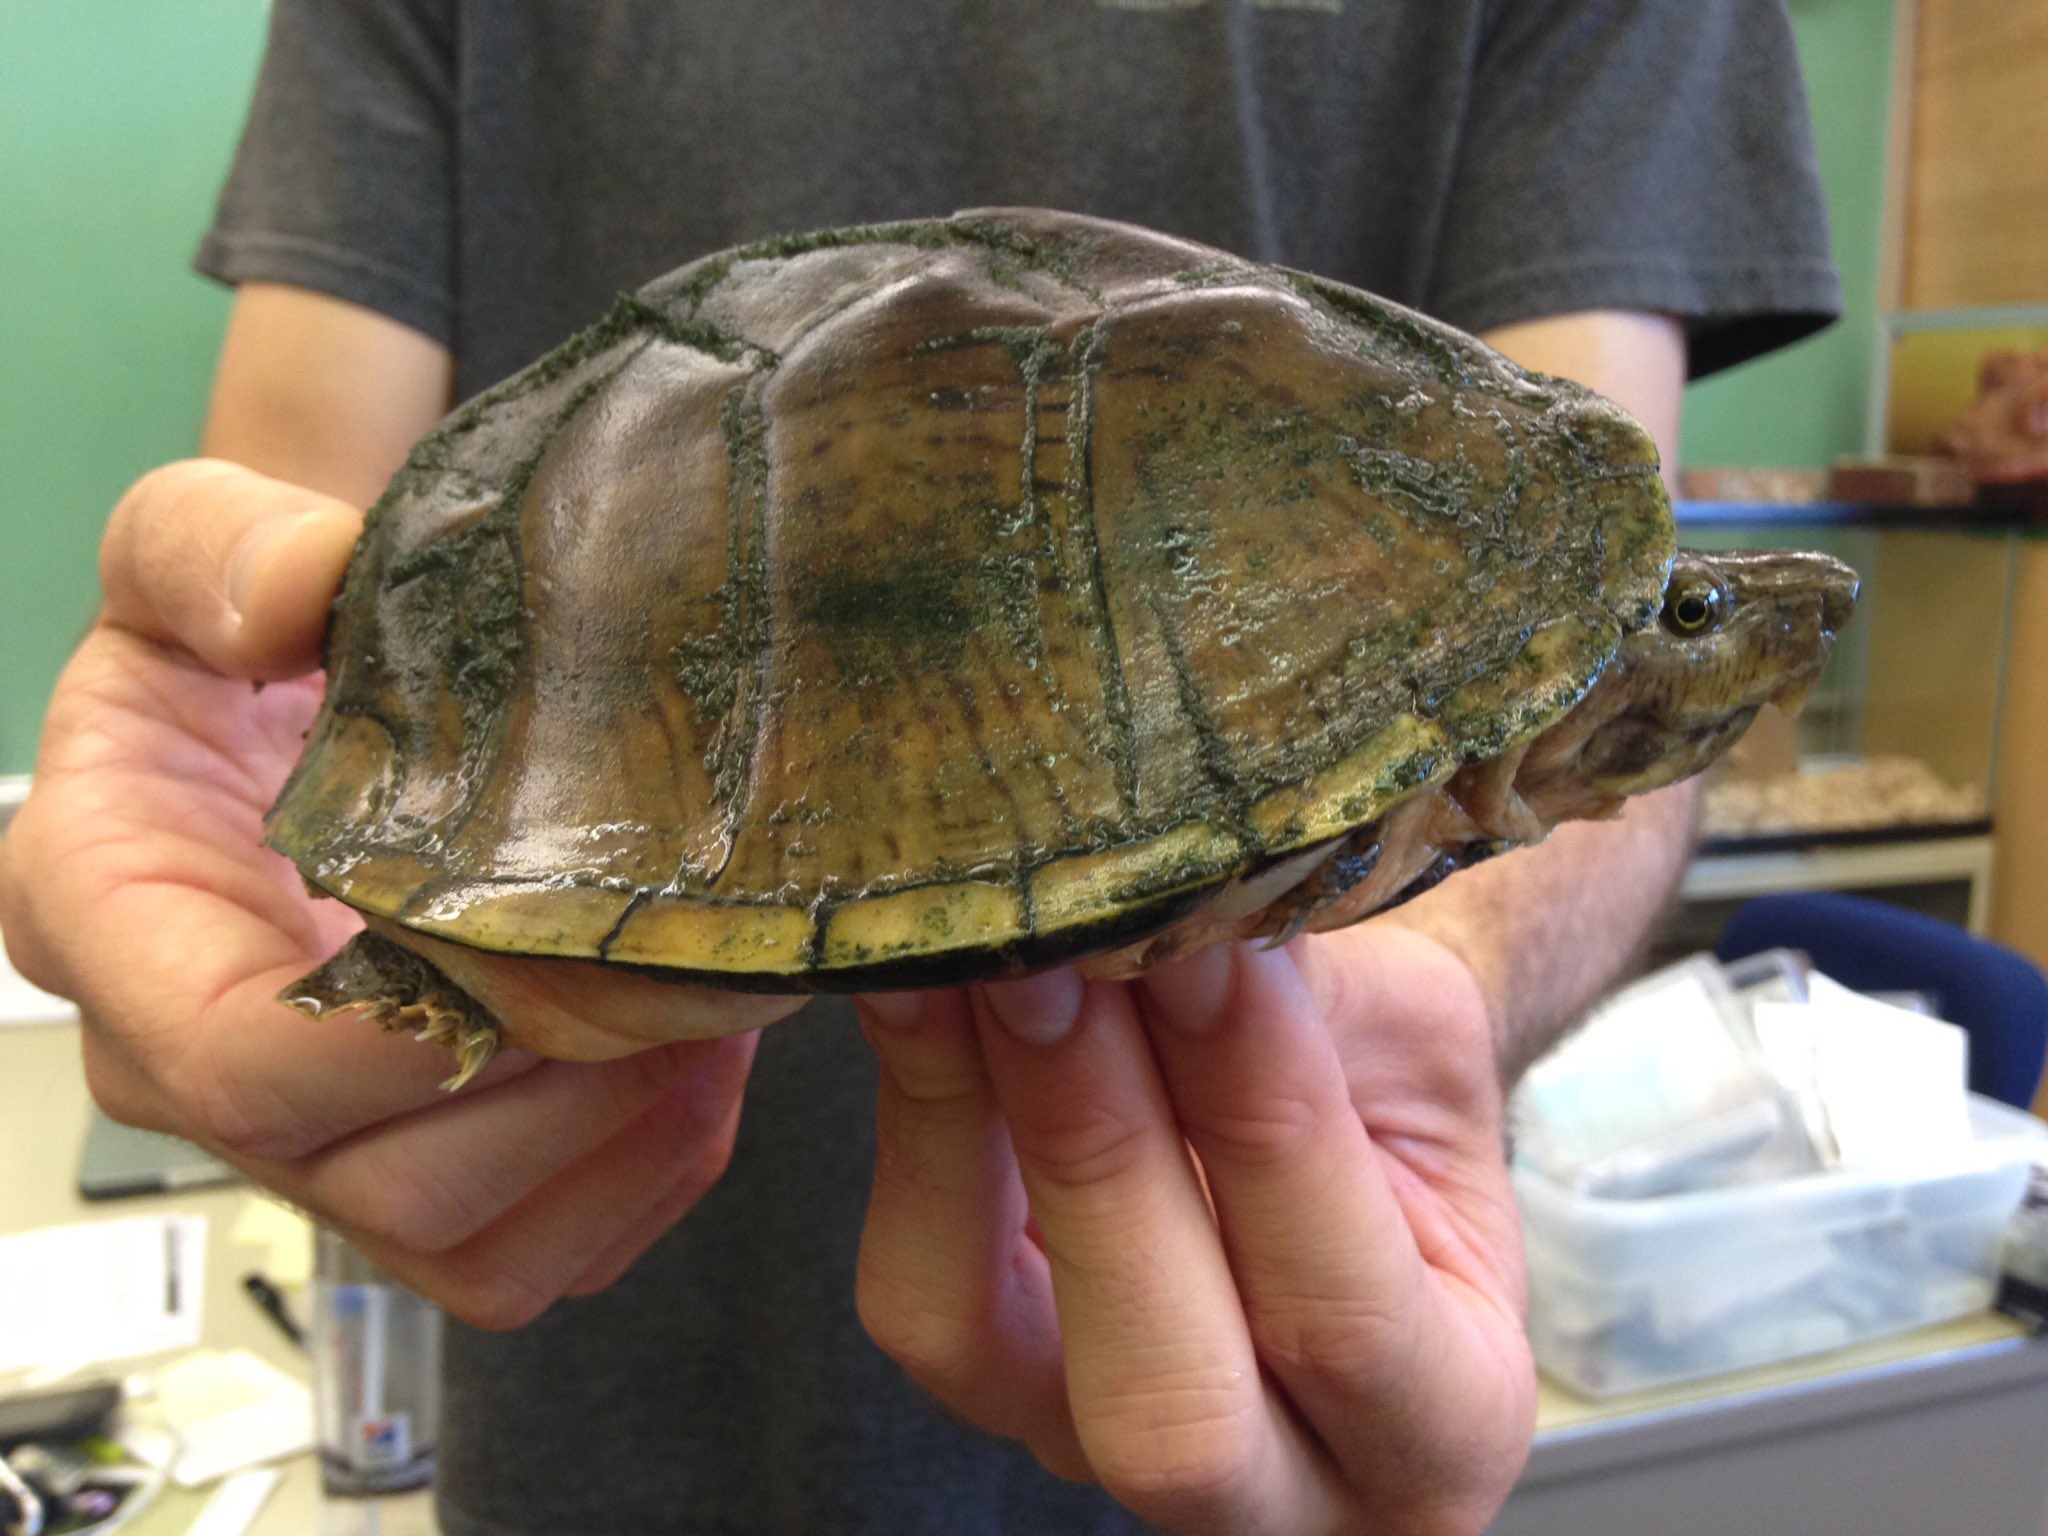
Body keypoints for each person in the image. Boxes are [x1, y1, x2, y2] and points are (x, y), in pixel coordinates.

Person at [0, 3, 1837, 1532]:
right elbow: (291, 585)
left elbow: (1556, 659)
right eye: (1676, 617)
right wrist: (225, 769)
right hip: (603, 1395)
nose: (1738, 626)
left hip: (1223, 1325)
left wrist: (1422, 1002)